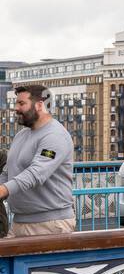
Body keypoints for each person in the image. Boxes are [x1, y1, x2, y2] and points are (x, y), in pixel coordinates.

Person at [0, 85, 75, 236]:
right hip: (19, 222)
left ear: (40, 105)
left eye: (21, 103)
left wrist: (2, 190)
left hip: (51, 225)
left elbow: (35, 174)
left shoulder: (55, 136)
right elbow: (8, 172)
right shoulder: (21, 135)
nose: (16, 108)